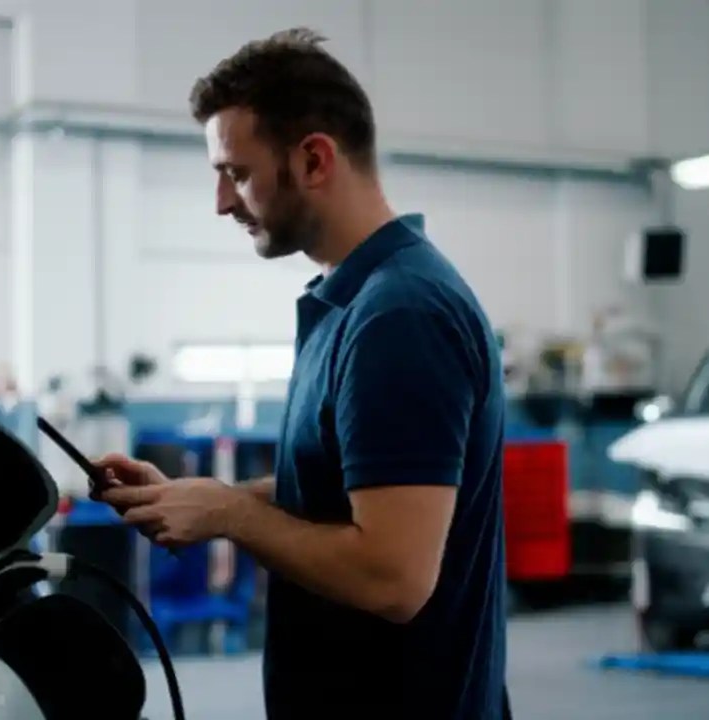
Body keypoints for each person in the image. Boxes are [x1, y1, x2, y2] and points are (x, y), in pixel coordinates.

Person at [91, 27, 510, 720]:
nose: (222, 202)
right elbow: (340, 491)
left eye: (237, 172)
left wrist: (228, 515)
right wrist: (200, 497)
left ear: (314, 158)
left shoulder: (399, 315)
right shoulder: (355, 301)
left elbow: (394, 577)